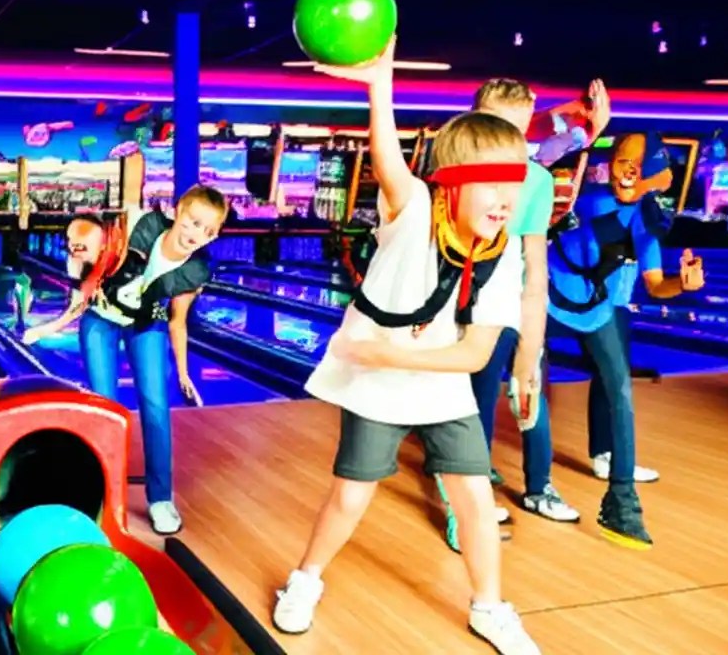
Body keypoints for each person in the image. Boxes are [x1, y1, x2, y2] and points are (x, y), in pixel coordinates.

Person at [271, 43, 540, 655]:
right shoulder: (414, 208)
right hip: (377, 389)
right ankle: (304, 581)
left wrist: (393, 356)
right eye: (492, 184)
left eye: (514, 185)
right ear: (451, 186)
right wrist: (379, 84)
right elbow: (387, 155)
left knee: (474, 495)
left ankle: (491, 608)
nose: (506, 199)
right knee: (350, 495)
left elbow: (473, 358)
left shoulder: (500, 261)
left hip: (434, 382)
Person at [434, 79, 613, 551]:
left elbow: (535, 266)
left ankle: (538, 487)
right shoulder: (452, 166)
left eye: (517, 135)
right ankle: (466, 498)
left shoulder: (533, 179)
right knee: (471, 404)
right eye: (497, 129)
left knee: (529, 391)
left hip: (509, 304)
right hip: (460, 304)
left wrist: (530, 345)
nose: (509, 149)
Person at [22, 151, 228, 536]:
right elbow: (106, 237)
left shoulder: (197, 269)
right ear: (177, 211)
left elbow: (178, 321)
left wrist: (183, 371)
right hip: (101, 317)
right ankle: (100, 490)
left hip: (145, 325)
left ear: (213, 236)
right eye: (191, 221)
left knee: (155, 405)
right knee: (104, 405)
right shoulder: (143, 226)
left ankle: (161, 498)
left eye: (206, 230)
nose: (194, 234)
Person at [546, 132, 703, 550]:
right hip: (548, 300)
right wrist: (649, 187)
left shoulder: (648, 221)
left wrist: (682, 286)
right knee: (520, 378)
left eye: (637, 162)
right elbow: (591, 226)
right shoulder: (587, 198)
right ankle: (526, 479)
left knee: (617, 387)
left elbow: (655, 285)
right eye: (620, 160)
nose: (627, 169)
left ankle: (617, 487)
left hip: (604, 308)